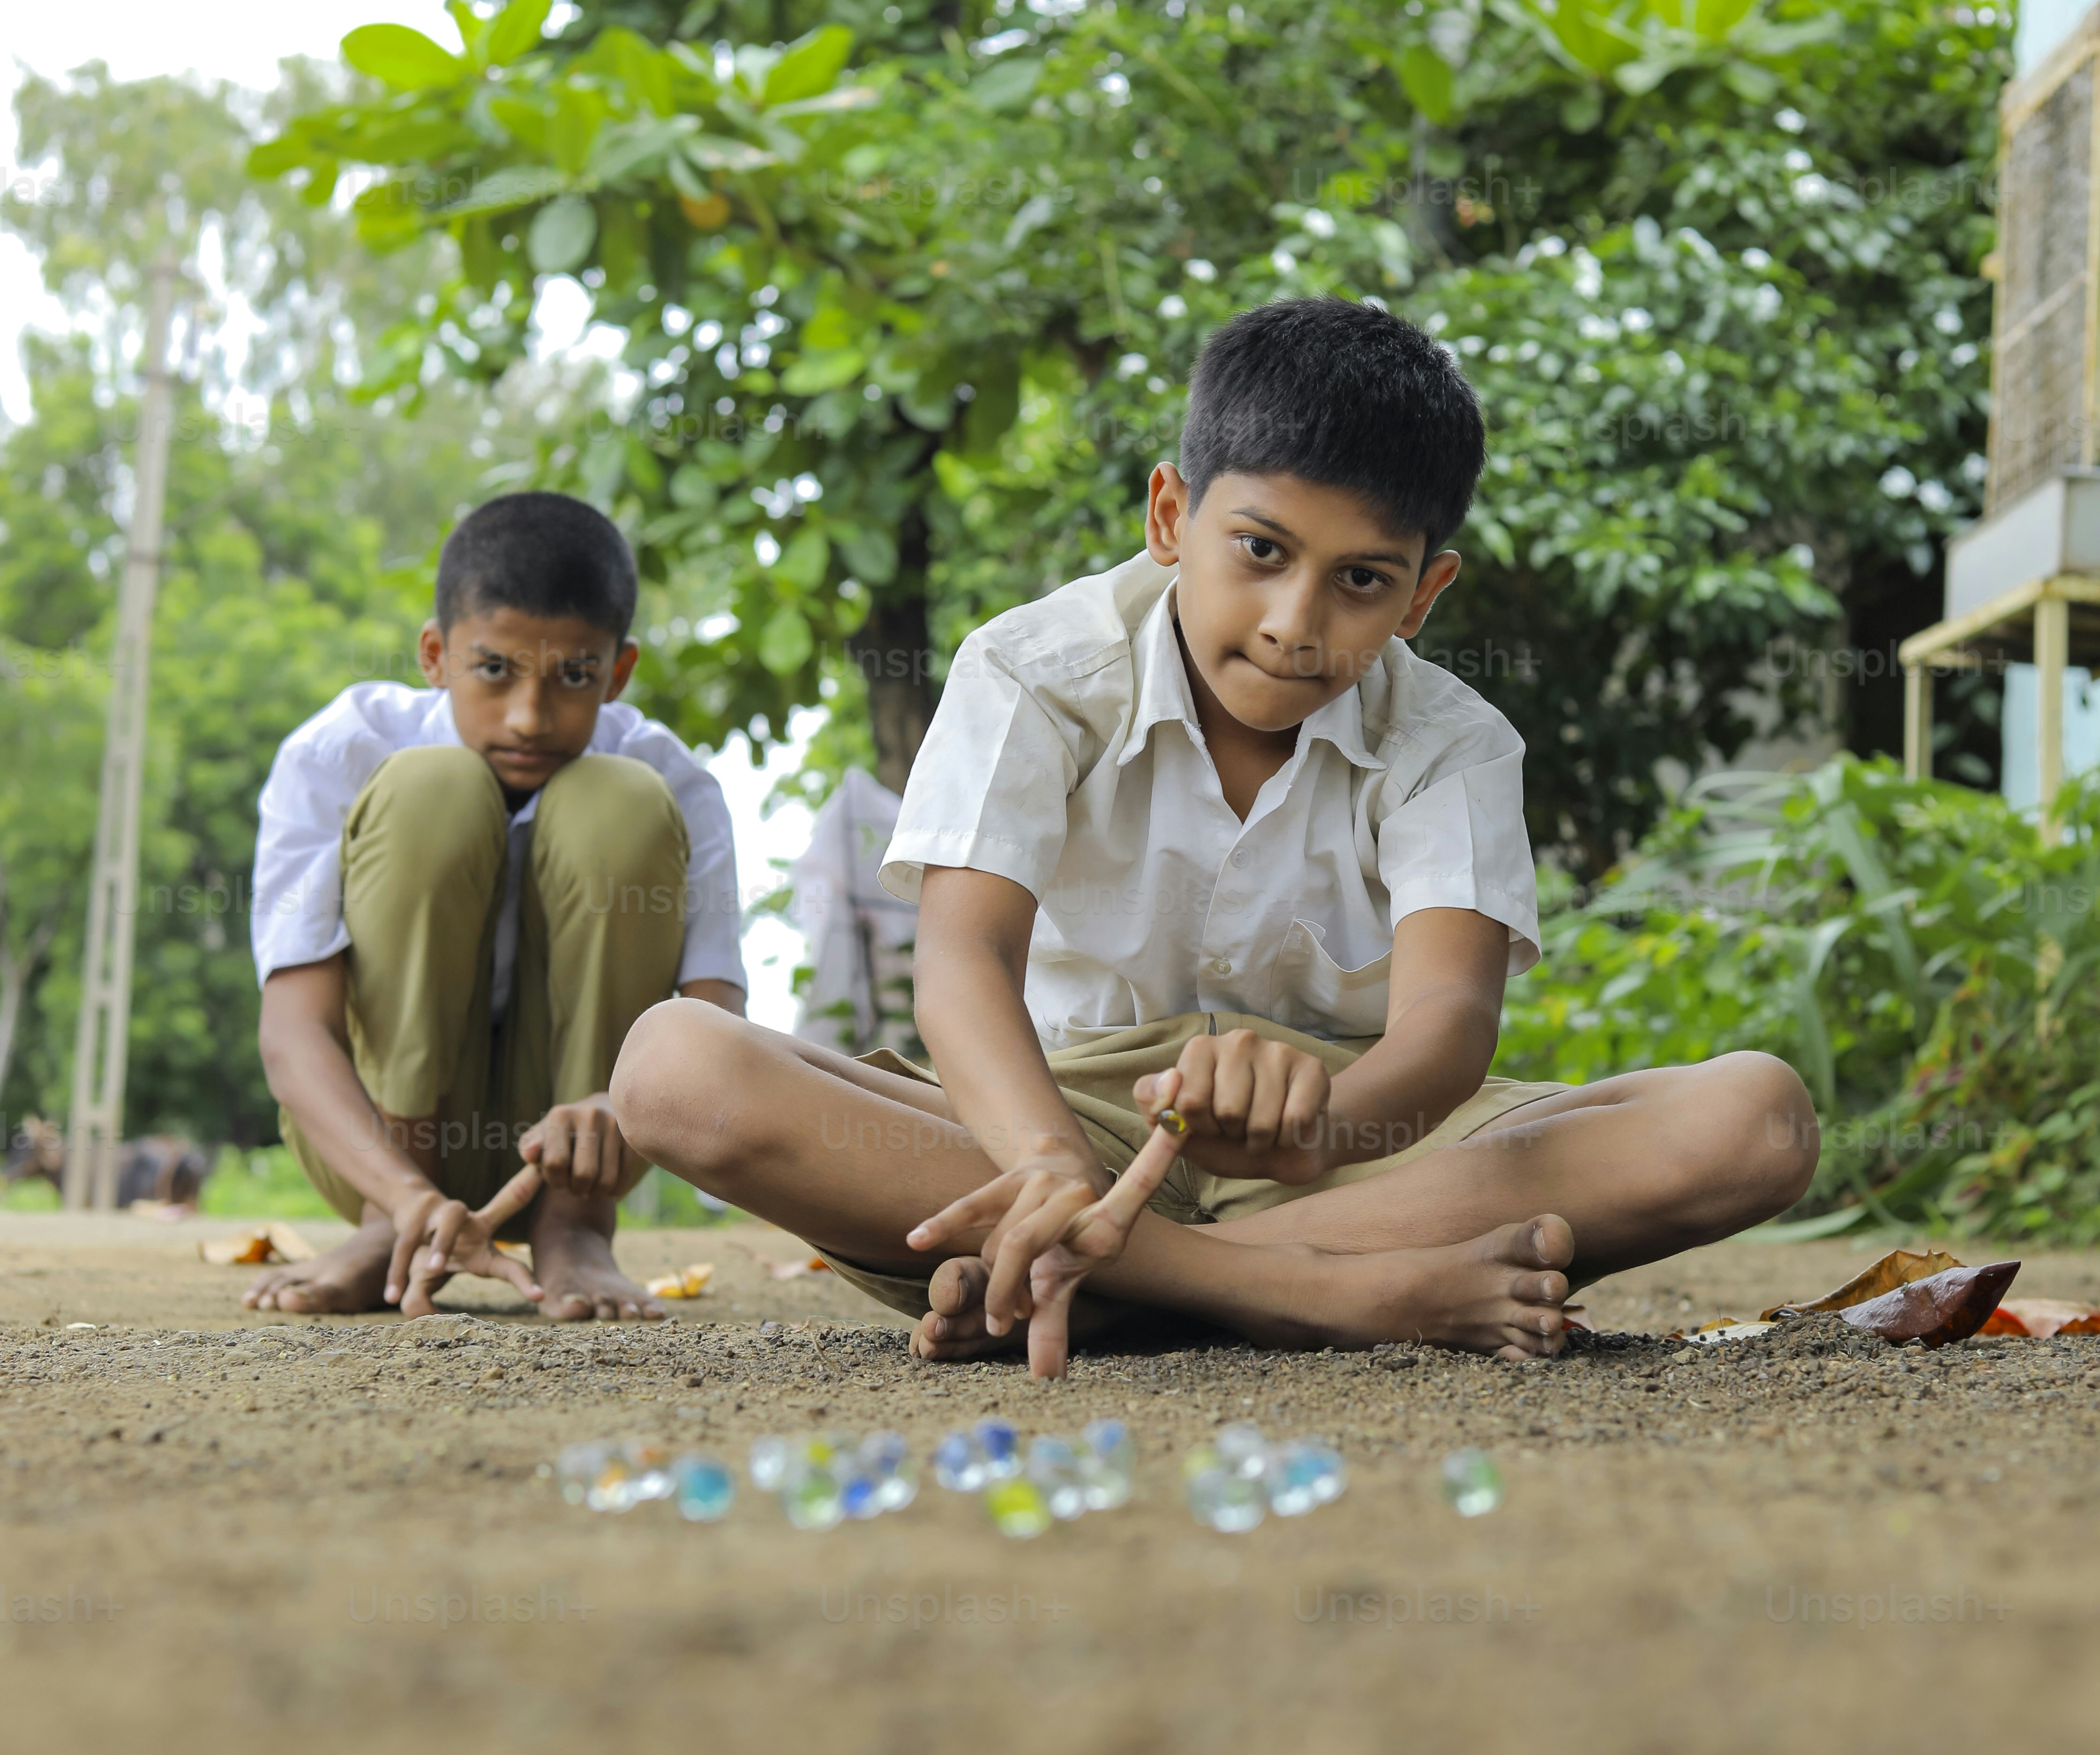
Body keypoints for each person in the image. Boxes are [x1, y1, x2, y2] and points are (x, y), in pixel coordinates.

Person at [610, 299, 1818, 1373]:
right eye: (1260, 552)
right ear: (1170, 514)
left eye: (1360, 582)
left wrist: (1319, 1130)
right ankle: (1301, 1293)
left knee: (1754, 1118)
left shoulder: (1454, 739)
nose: (1297, 623)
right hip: (1061, 1120)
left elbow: (1446, 1026)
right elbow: (962, 961)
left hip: (1356, 1149)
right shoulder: (1033, 672)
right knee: (674, 1064)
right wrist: (1039, 1164)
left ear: (1425, 593)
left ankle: (1104, 1287)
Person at [245, 491, 745, 1320]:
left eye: (574, 676)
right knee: (430, 790)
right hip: (368, 1145)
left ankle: (577, 1225)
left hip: (585, 1145)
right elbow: (293, 1033)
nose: (529, 717)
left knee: (621, 801)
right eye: (494, 670)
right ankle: (391, 1227)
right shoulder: (339, 752)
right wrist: (401, 1194)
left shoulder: (674, 783)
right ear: (436, 655)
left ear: (619, 673)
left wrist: (625, 1101)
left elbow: (717, 1028)